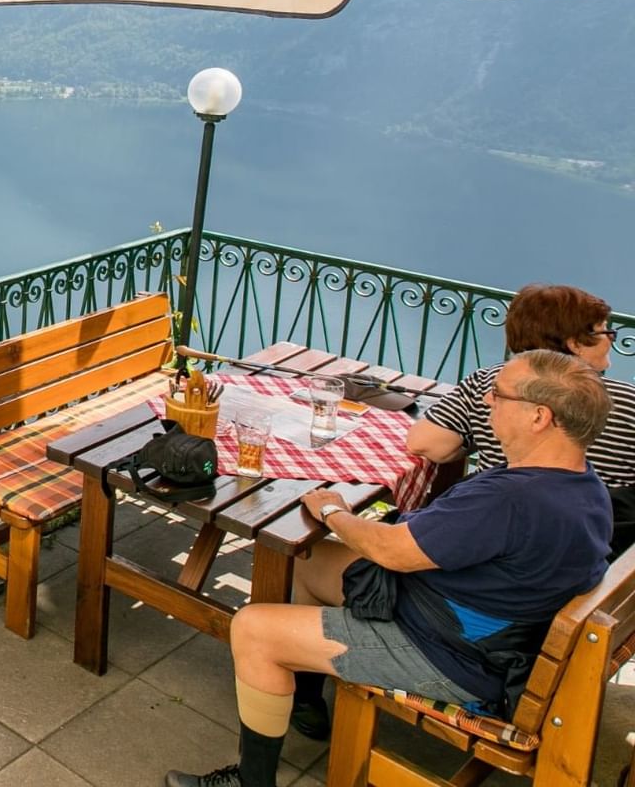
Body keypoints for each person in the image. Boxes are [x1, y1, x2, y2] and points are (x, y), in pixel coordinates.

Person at [165, 351, 612, 787]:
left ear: (539, 417)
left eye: (498, 394)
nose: (487, 401)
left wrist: (333, 513)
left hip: (451, 656)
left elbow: (393, 551)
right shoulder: (583, 485)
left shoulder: (513, 499)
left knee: (253, 628)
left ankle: (250, 779)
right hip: (481, 628)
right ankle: (302, 695)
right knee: (306, 560)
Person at [407, 283, 635, 558]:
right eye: (606, 331)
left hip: (494, 542)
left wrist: (478, 437)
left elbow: (427, 445)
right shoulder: (628, 401)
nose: (611, 339)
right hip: (592, 553)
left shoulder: (489, 384)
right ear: (575, 344)